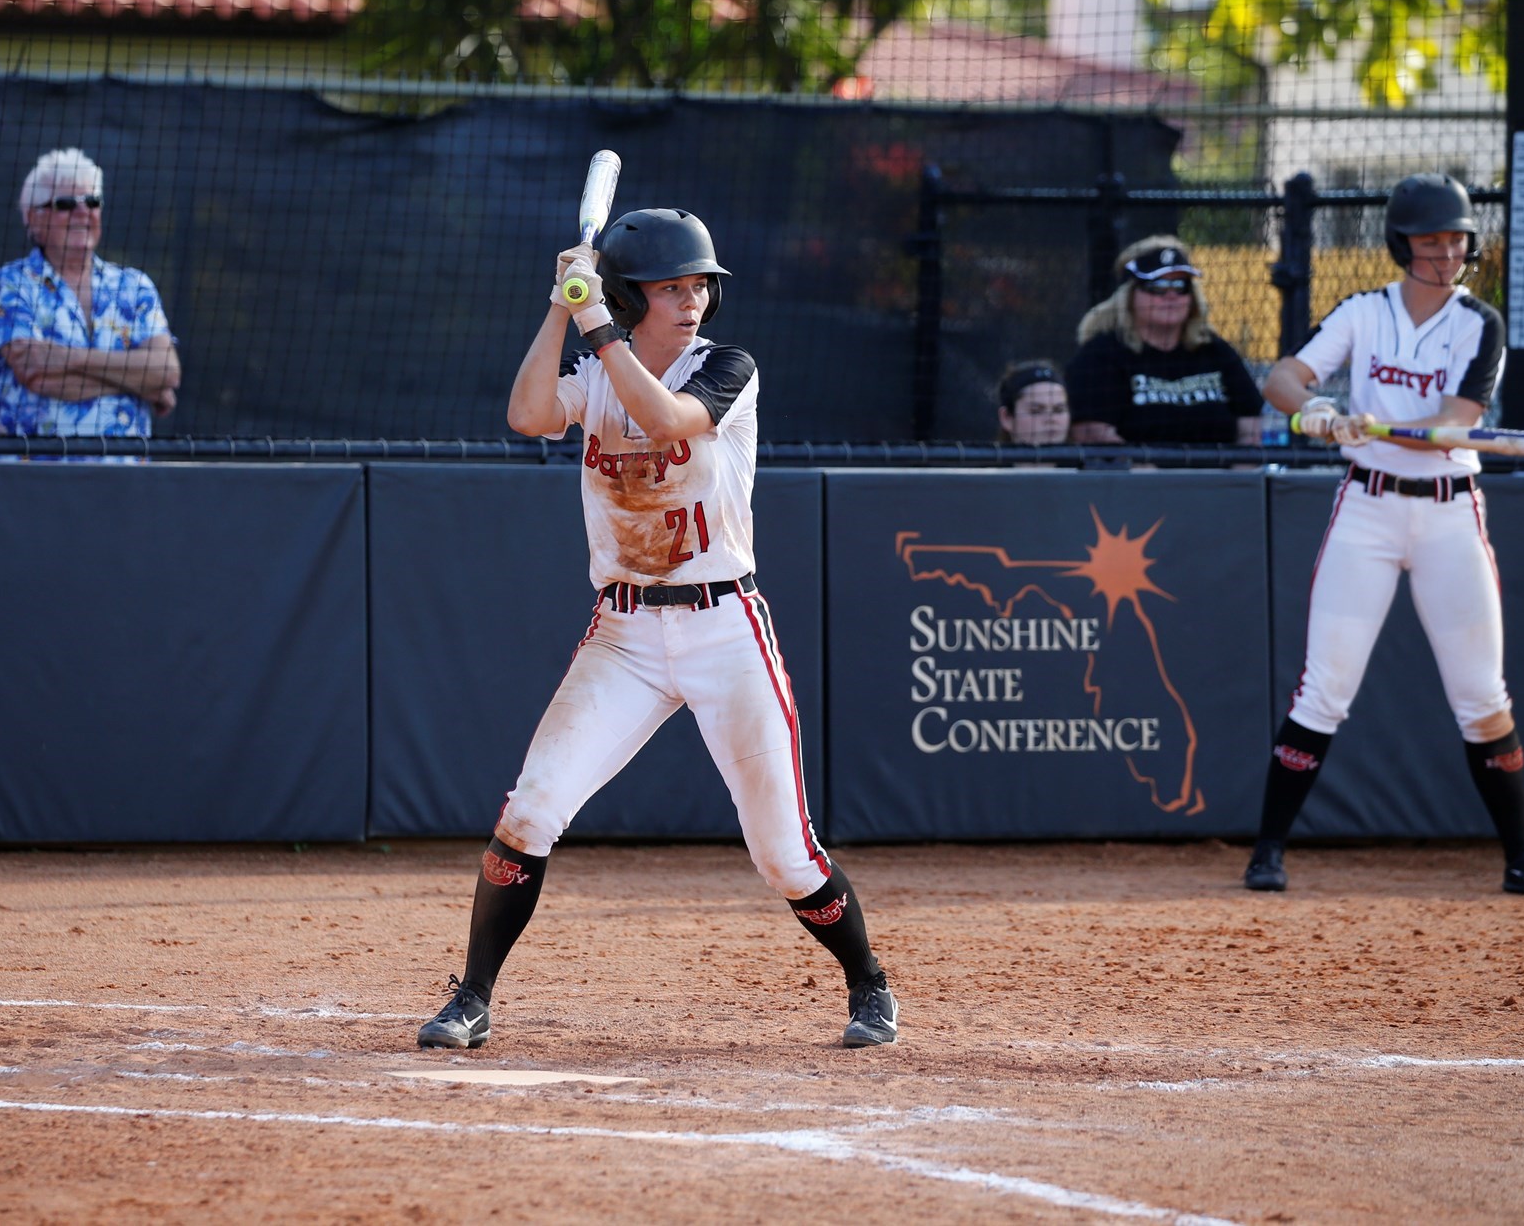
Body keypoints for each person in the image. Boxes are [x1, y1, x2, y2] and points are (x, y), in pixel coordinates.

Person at [416, 208, 900, 1051]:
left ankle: (870, 985)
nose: (693, 300)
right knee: (530, 811)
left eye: (700, 285)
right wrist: (565, 306)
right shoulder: (595, 359)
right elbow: (529, 414)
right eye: (672, 287)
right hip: (625, 633)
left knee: (784, 854)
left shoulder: (729, 367)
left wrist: (600, 323)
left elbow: (671, 419)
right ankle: (473, 997)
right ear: (635, 293)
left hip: (726, 627)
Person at [1243, 172, 1524, 897]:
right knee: (1324, 687)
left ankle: (1522, 857)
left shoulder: (1480, 322)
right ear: (1402, 244)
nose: (1446, 252)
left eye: (1455, 238)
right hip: (1368, 509)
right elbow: (1283, 378)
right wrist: (1317, 413)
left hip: (1450, 512)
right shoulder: (1364, 312)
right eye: (1430, 240)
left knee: (1482, 694)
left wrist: (1384, 425)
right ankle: (1267, 851)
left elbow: (1453, 426)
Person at [0, 148, 181, 441]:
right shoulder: (9, 285)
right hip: (32, 476)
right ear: (34, 219)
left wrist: (63, 360)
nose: (83, 212)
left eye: (92, 202)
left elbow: (167, 371)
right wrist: (140, 383)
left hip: (125, 476)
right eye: (66, 204)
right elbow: (36, 371)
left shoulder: (135, 286)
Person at [1065, 237, 1262, 445]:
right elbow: (1093, 434)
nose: (1170, 296)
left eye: (1180, 286)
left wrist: (1238, 475)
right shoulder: (1101, 354)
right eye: (1157, 286)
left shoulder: (1216, 351)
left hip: (1218, 475)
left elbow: (1250, 429)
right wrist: (1150, 474)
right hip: (1138, 475)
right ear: (1129, 295)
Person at [995, 361, 1071, 447]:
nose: (1051, 419)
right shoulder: (982, 460)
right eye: (1036, 411)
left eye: (1059, 410)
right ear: (1007, 418)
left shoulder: (1084, 459)